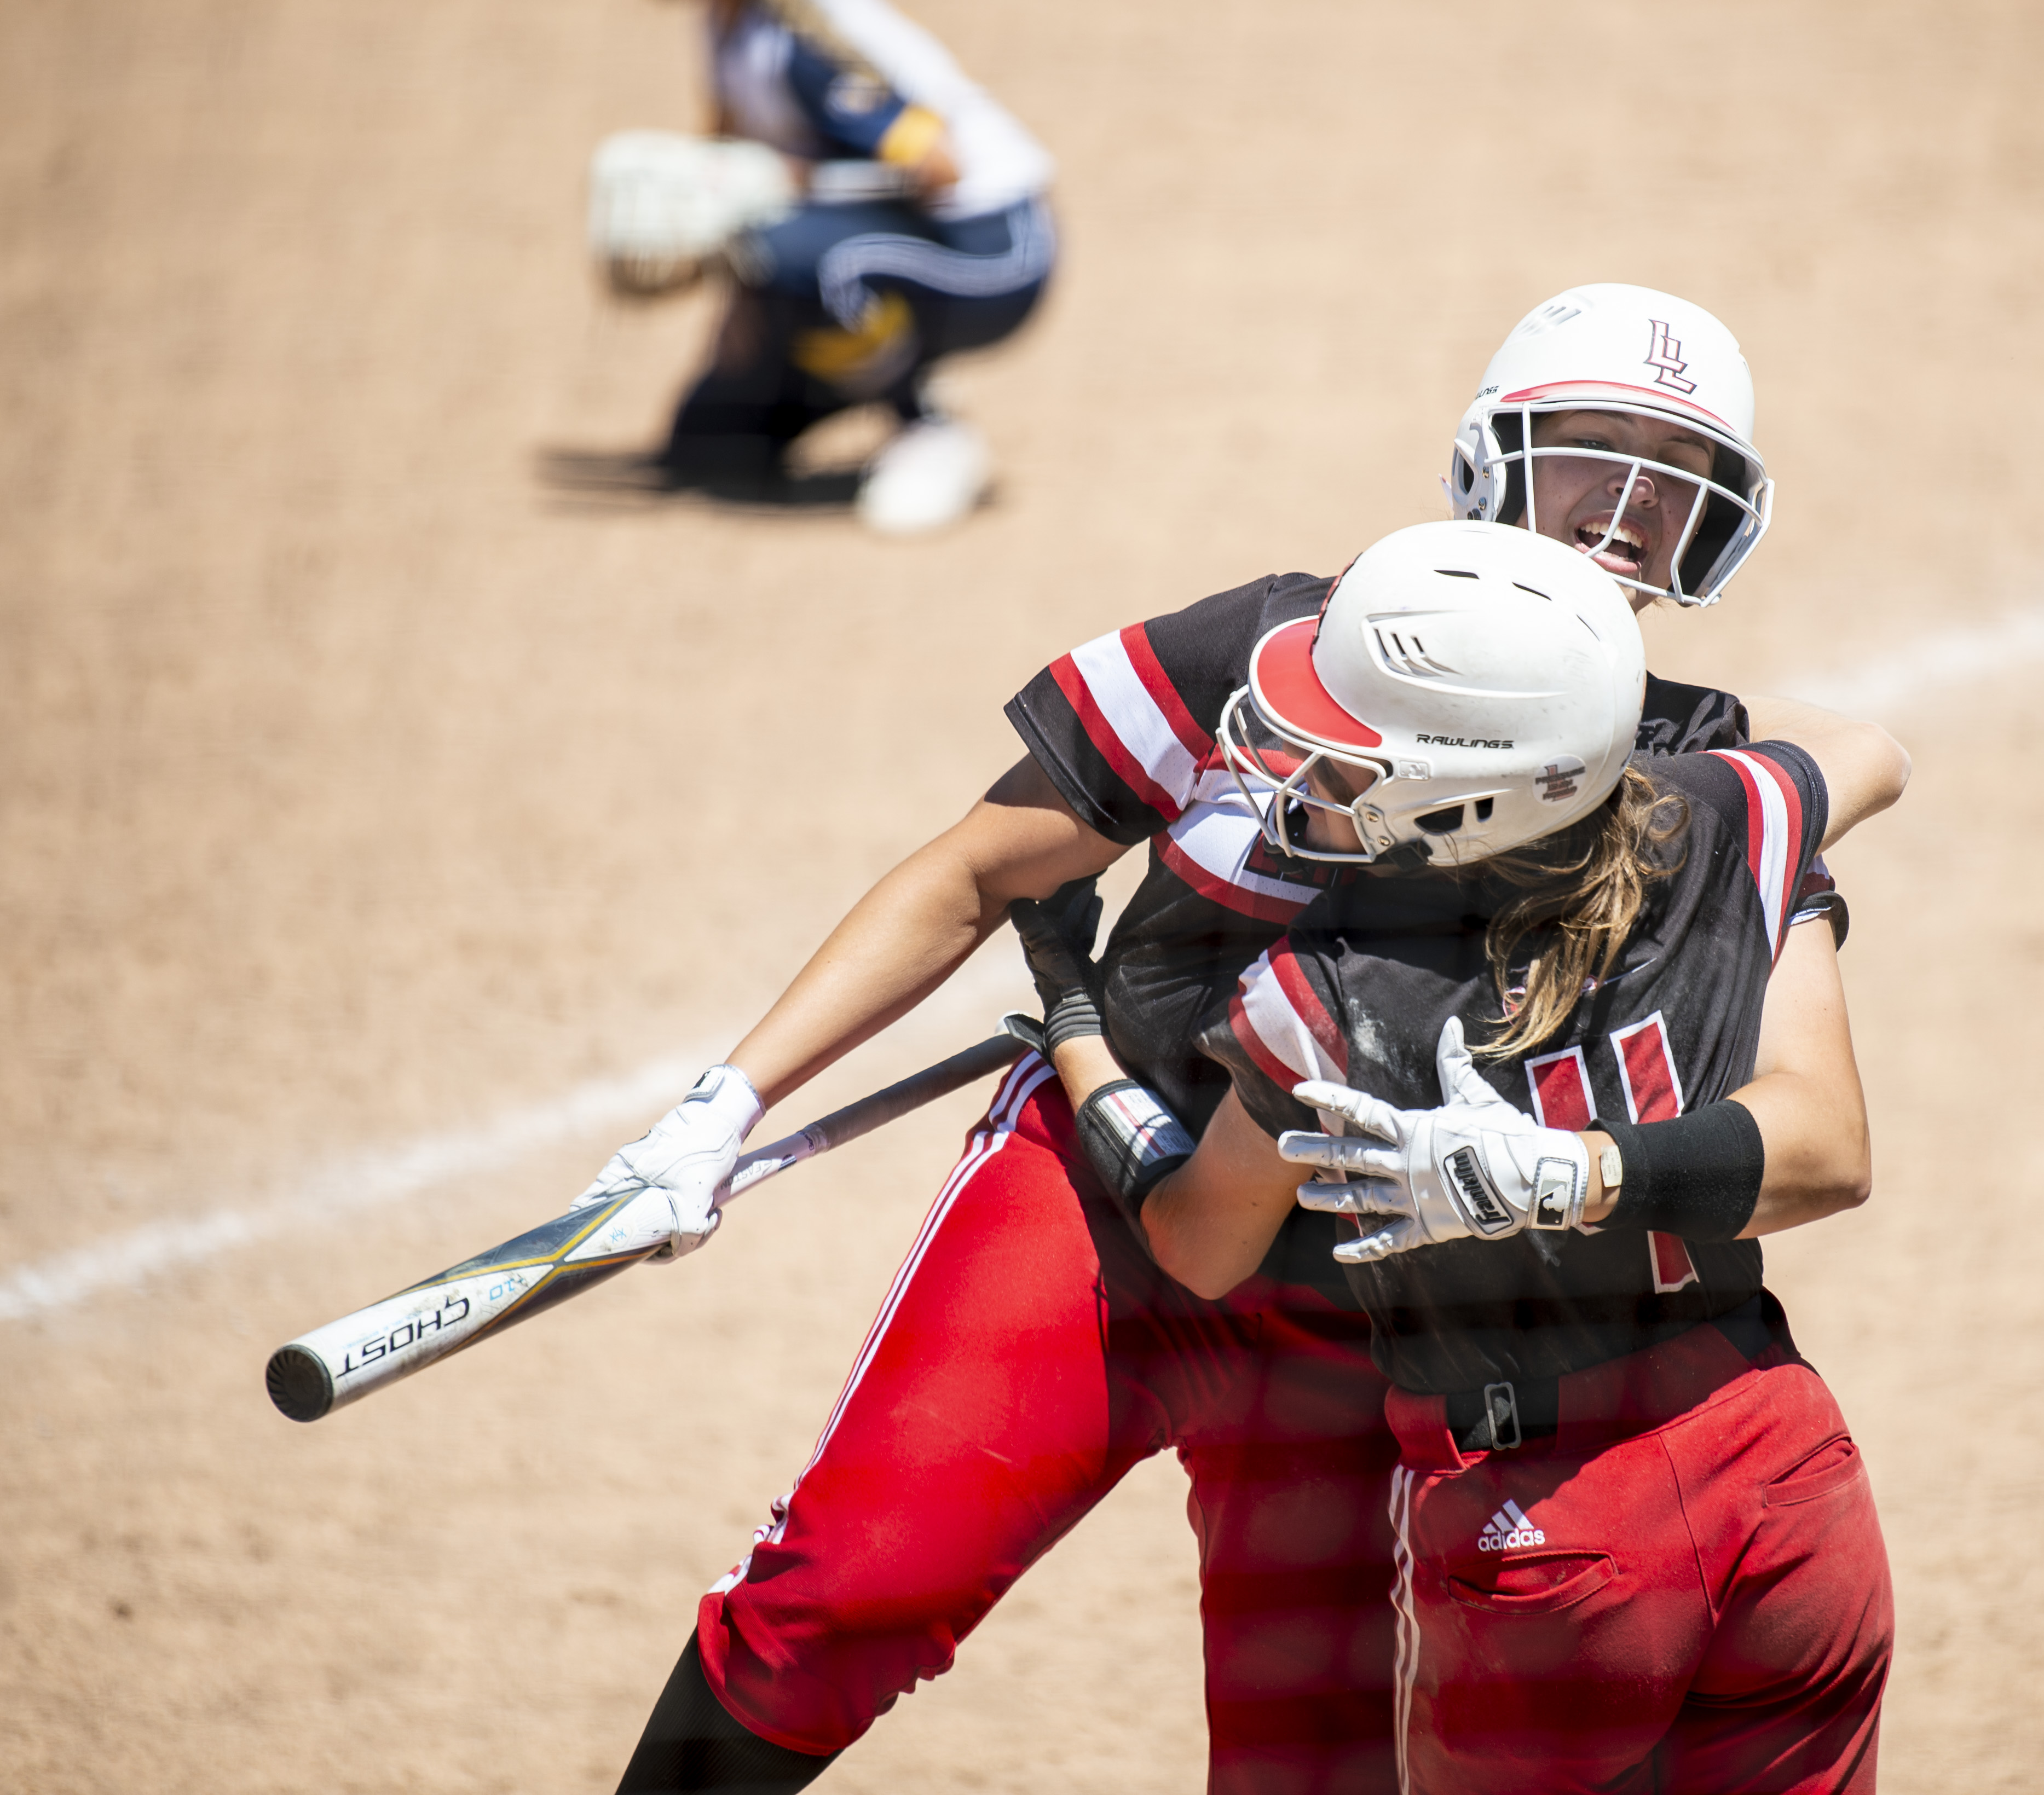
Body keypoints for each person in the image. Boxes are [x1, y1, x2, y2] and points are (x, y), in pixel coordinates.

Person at [587, 286, 1908, 1793]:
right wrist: (722, 1103)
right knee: (845, 1596)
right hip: (1101, 1220)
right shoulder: (1282, 646)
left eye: (1668, 482)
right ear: (1494, 463)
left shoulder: (1690, 776)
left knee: (1311, 1771)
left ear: (1717, 526)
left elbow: (1824, 1046)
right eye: (1586, 456)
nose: (1620, 514)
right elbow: (972, 874)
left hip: (1372, 1329)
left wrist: (1080, 1019)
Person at [1030, 522, 1890, 1790]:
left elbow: (1198, 1242)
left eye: (1348, 755)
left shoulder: (1321, 995)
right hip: (1785, 1476)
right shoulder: (1728, 819)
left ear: (1467, 790)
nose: (1303, 776)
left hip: (1548, 1538)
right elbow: (1873, 758)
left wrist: (1077, 1025)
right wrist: (1582, 696)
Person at [657, 0, 1056, 532]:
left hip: (993, 250)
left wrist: (787, 183)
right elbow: (739, 160)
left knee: (796, 253)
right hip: (882, 241)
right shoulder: (723, 24)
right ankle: (888, 365)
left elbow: (939, 165)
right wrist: (740, 297)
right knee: (710, 442)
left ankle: (927, 429)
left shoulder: (802, 33)